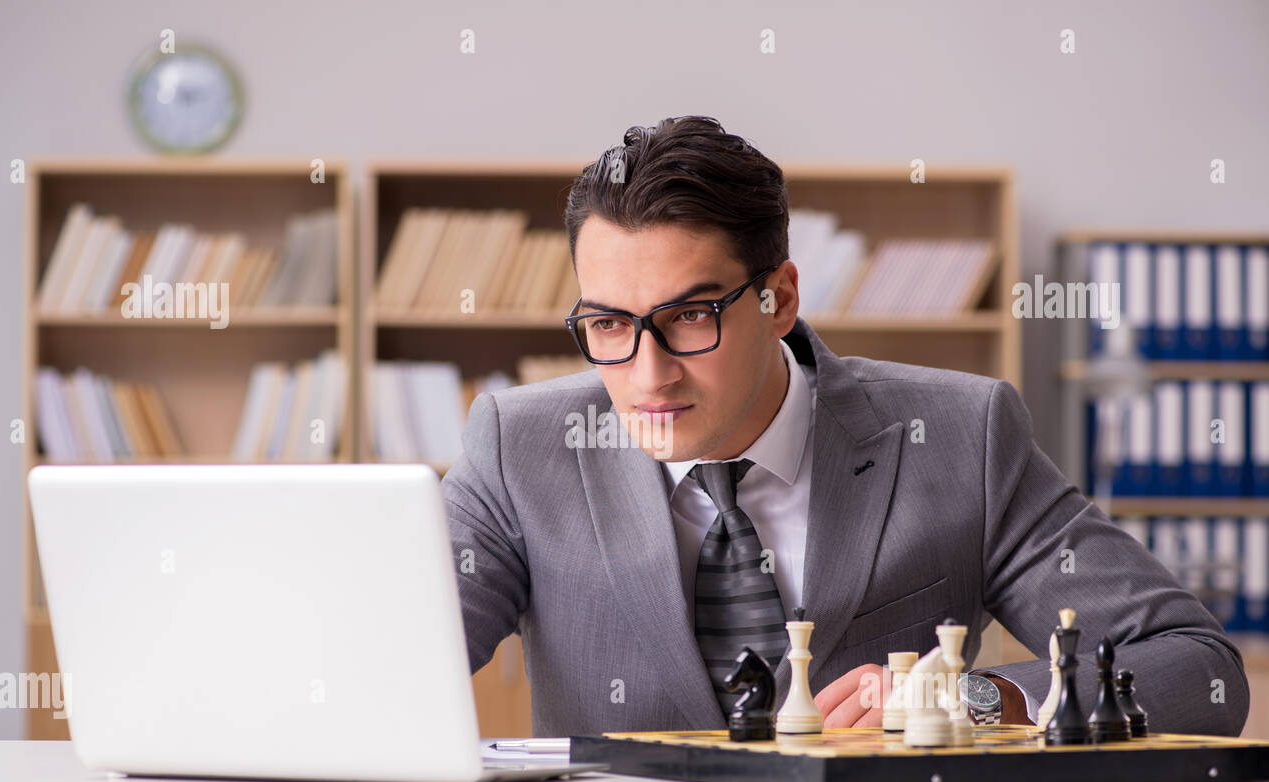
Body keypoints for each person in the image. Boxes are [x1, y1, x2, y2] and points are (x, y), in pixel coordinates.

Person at [441, 115, 1248, 737]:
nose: (648, 374)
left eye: (690, 316)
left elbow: (1198, 668)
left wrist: (973, 695)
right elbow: (382, 662)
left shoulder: (964, 437)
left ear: (779, 298)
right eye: (609, 324)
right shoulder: (521, 447)